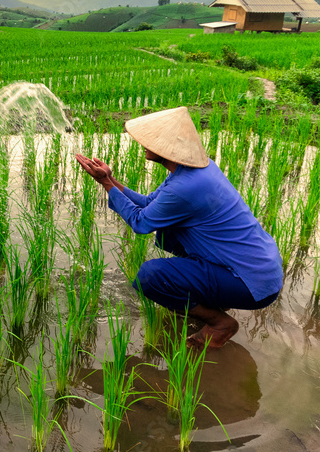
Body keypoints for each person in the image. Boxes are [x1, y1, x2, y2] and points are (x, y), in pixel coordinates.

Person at [75, 106, 282, 349]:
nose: (143, 144)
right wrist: (108, 179)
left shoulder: (185, 187)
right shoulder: (192, 172)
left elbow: (141, 222)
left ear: (166, 147)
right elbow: (148, 204)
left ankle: (219, 323)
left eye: (151, 140)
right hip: (258, 270)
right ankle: (213, 302)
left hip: (251, 283)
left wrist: (105, 183)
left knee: (151, 277)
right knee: (174, 246)